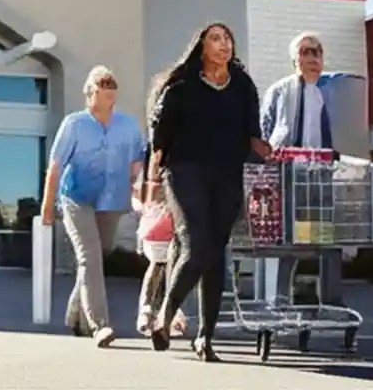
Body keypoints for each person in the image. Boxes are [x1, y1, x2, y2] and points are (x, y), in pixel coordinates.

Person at [146, 22, 271, 362]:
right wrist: (150, 182)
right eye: (215, 38)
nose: (223, 44)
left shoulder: (242, 85)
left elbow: (253, 135)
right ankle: (165, 316)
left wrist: (272, 155)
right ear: (201, 46)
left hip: (227, 173)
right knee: (197, 245)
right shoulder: (182, 87)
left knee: (216, 252)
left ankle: (205, 337)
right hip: (185, 170)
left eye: (227, 38)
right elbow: (159, 137)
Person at [40, 65, 145, 348]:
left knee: (99, 256)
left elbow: (137, 165)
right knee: (89, 257)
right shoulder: (74, 124)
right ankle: (101, 324)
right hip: (77, 198)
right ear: (90, 94)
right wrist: (47, 206)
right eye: (101, 87)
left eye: (111, 88)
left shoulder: (128, 126)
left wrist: (142, 194)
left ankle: (75, 317)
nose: (108, 93)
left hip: (112, 200)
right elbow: (55, 166)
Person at [259, 31, 345, 306]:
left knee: (323, 238)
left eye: (317, 52)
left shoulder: (327, 92)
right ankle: (281, 298)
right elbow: (264, 132)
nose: (312, 58)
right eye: (305, 52)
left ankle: (326, 299)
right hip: (287, 176)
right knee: (287, 240)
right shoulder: (280, 90)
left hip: (318, 177)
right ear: (294, 59)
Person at [132, 154, 187, 338]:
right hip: (163, 218)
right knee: (166, 264)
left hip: (160, 218)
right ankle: (163, 313)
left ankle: (152, 312)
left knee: (163, 265)